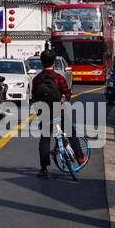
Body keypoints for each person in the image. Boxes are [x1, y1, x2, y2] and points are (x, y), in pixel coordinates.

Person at [31, 48, 85, 178]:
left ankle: (43, 169)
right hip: (58, 112)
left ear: (41, 62)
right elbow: (67, 94)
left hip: (44, 113)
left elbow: (34, 97)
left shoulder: (37, 79)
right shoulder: (59, 78)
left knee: (44, 140)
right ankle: (79, 157)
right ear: (53, 62)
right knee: (71, 132)